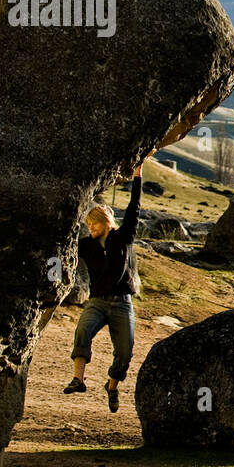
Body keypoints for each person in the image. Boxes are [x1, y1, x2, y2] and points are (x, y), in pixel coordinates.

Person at [63, 159, 146, 412]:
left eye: (94, 224)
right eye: (88, 224)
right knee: (82, 331)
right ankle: (78, 380)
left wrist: (138, 176)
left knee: (125, 352)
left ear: (107, 222)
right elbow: (63, 239)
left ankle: (111, 386)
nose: (90, 228)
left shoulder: (123, 237)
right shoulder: (86, 245)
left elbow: (134, 208)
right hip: (97, 302)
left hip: (122, 304)